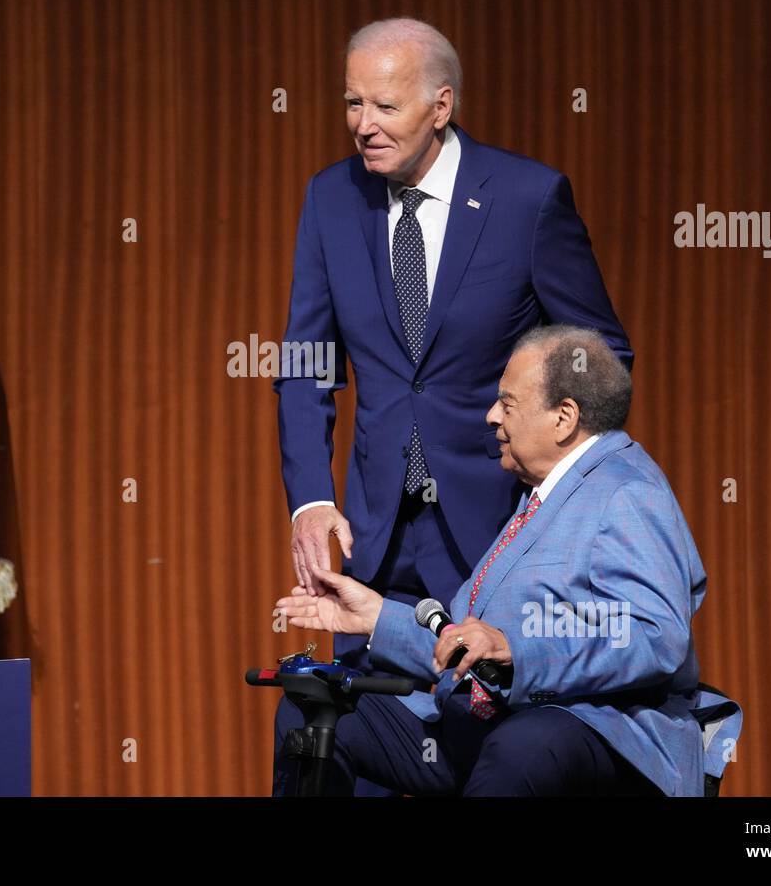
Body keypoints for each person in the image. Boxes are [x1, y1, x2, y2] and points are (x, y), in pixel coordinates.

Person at [275, 18, 632, 680]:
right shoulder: (330, 198)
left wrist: (550, 486)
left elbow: (602, 358)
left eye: (385, 105)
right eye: (353, 102)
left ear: (441, 106)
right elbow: (306, 364)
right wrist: (310, 499)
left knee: (485, 749)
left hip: (500, 532)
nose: (363, 124)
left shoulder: (527, 200)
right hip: (375, 538)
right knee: (359, 744)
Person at [273, 325, 733, 796]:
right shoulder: (538, 497)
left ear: (564, 417)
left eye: (508, 404)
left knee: (521, 748)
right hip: (491, 725)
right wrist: (374, 618)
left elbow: (655, 637)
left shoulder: (626, 491)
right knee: (313, 710)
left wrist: (519, 650)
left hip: (599, 734)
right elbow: (472, 651)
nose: (492, 416)